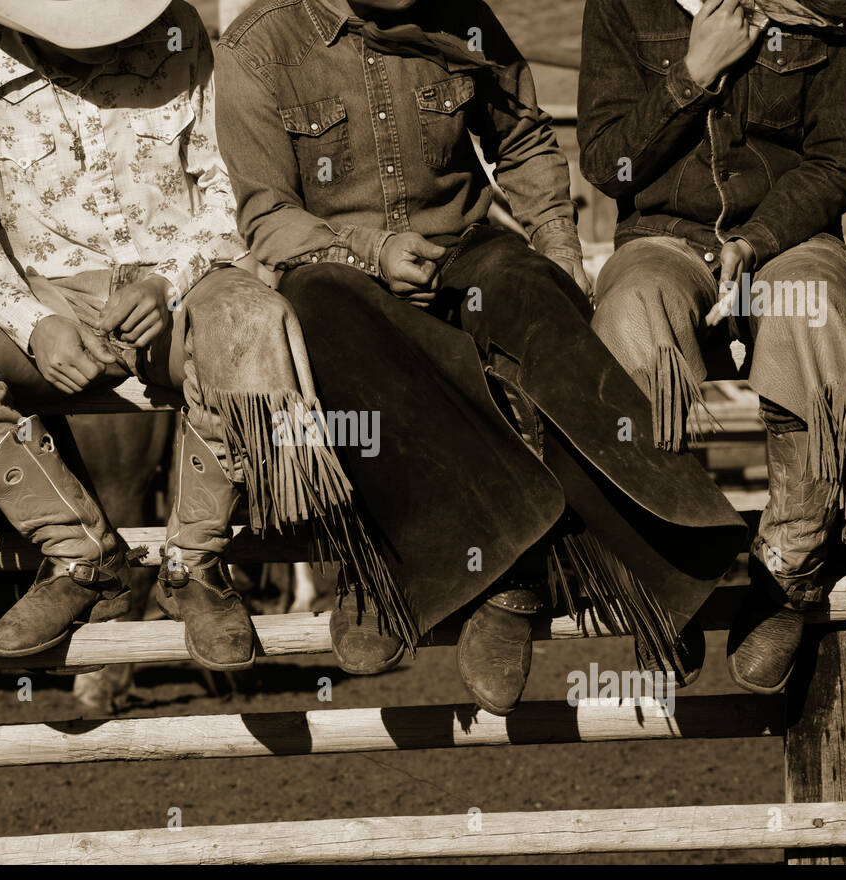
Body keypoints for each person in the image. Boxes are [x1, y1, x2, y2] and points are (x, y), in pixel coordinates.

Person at [215, 0, 746, 715]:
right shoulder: (257, 48)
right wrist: (369, 251)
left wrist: (560, 249)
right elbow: (267, 214)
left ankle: (662, 565)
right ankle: (476, 570)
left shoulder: (464, 19)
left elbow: (522, 139)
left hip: (463, 250)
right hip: (338, 268)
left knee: (533, 294)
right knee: (321, 313)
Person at [0, 0, 370, 670]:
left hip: (177, 289)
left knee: (249, 322)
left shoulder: (187, 36)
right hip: (42, 294)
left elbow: (227, 189)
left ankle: (194, 565)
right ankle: (78, 553)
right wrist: (31, 320)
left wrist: (168, 282)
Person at [578, 0, 846, 695]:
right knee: (629, 312)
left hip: (791, 238)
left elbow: (836, 161)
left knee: (814, 310)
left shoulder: (828, 3)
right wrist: (694, 71)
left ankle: (791, 566)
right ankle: (662, 566)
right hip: (660, 236)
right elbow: (607, 163)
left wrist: (755, 240)